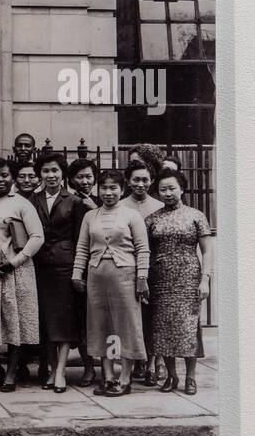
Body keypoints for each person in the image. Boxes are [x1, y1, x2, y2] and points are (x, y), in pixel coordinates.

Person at [72, 169, 150, 397]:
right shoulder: (90, 216)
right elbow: (82, 248)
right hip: (97, 276)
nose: (108, 192)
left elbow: (143, 250)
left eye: (113, 188)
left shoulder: (131, 216)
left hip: (125, 275)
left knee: (126, 325)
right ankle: (107, 377)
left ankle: (124, 378)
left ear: (122, 190)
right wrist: (77, 274)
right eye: (104, 188)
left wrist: (142, 278)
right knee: (101, 325)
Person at [0, 156, 44, 391]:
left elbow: (37, 237)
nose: (0, 179)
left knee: (15, 319)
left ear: (12, 177)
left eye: (4, 175)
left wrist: (15, 262)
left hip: (16, 269)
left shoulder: (23, 204)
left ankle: (12, 373)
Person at [146, 168, 214, 396]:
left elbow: (207, 250)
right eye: (162, 189)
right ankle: (172, 377)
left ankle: (191, 377)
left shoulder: (196, 215)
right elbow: (144, 251)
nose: (167, 193)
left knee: (188, 328)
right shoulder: (152, 219)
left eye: (172, 188)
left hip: (188, 278)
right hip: (160, 280)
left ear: (182, 188)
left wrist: (205, 280)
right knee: (163, 328)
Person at [28, 152, 89, 392]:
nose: (50, 175)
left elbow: (80, 239)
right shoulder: (32, 200)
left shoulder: (74, 201)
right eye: (45, 171)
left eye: (55, 171)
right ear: (40, 174)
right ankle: (52, 368)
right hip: (39, 266)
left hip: (65, 266)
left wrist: (77, 270)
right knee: (46, 321)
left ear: (62, 174)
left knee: (64, 321)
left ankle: (61, 371)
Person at [120, 161, 165, 383]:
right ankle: (137, 361)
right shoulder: (120, 206)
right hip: (129, 268)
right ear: (128, 181)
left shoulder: (159, 205)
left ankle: (153, 364)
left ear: (152, 181)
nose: (140, 184)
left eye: (145, 179)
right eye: (136, 179)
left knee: (153, 317)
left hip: (156, 268)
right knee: (134, 318)